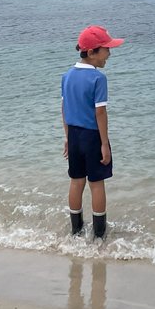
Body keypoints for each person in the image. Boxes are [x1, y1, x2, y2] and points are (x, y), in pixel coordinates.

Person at [61, 25, 123, 240]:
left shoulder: (67, 76)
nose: (109, 53)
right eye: (106, 49)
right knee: (96, 184)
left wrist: (67, 137)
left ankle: (76, 232)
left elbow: (64, 108)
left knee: (76, 181)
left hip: (74, 135)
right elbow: (100, 112)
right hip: (92, 136)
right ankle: (99, 235)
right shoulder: (98, 78)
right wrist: (104, 143)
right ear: (91, 52)